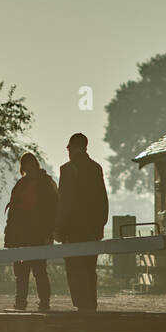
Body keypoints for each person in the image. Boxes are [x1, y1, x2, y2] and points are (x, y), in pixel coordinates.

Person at [55, 133, 108, 312]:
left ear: (74, 147)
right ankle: (90, 303)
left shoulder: (67, 170)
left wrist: (60, 228)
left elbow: (64, 203)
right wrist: (100, 224)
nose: (67, 150)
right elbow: (102, 199)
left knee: (74, 267)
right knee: (89, 267)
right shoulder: (95, 168)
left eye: (69, 147)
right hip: (92, 228)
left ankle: (80, 302)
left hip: (72, 229)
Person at [4, 151, 58, 311]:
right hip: (22, 236)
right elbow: (13, 214)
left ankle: (42, 302)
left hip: (36, 235)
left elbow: (52, 211)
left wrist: (49, 234)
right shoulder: (22, 185)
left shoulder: (43, 184)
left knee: (38, 271)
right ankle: (22, 302)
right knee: (24, 273)